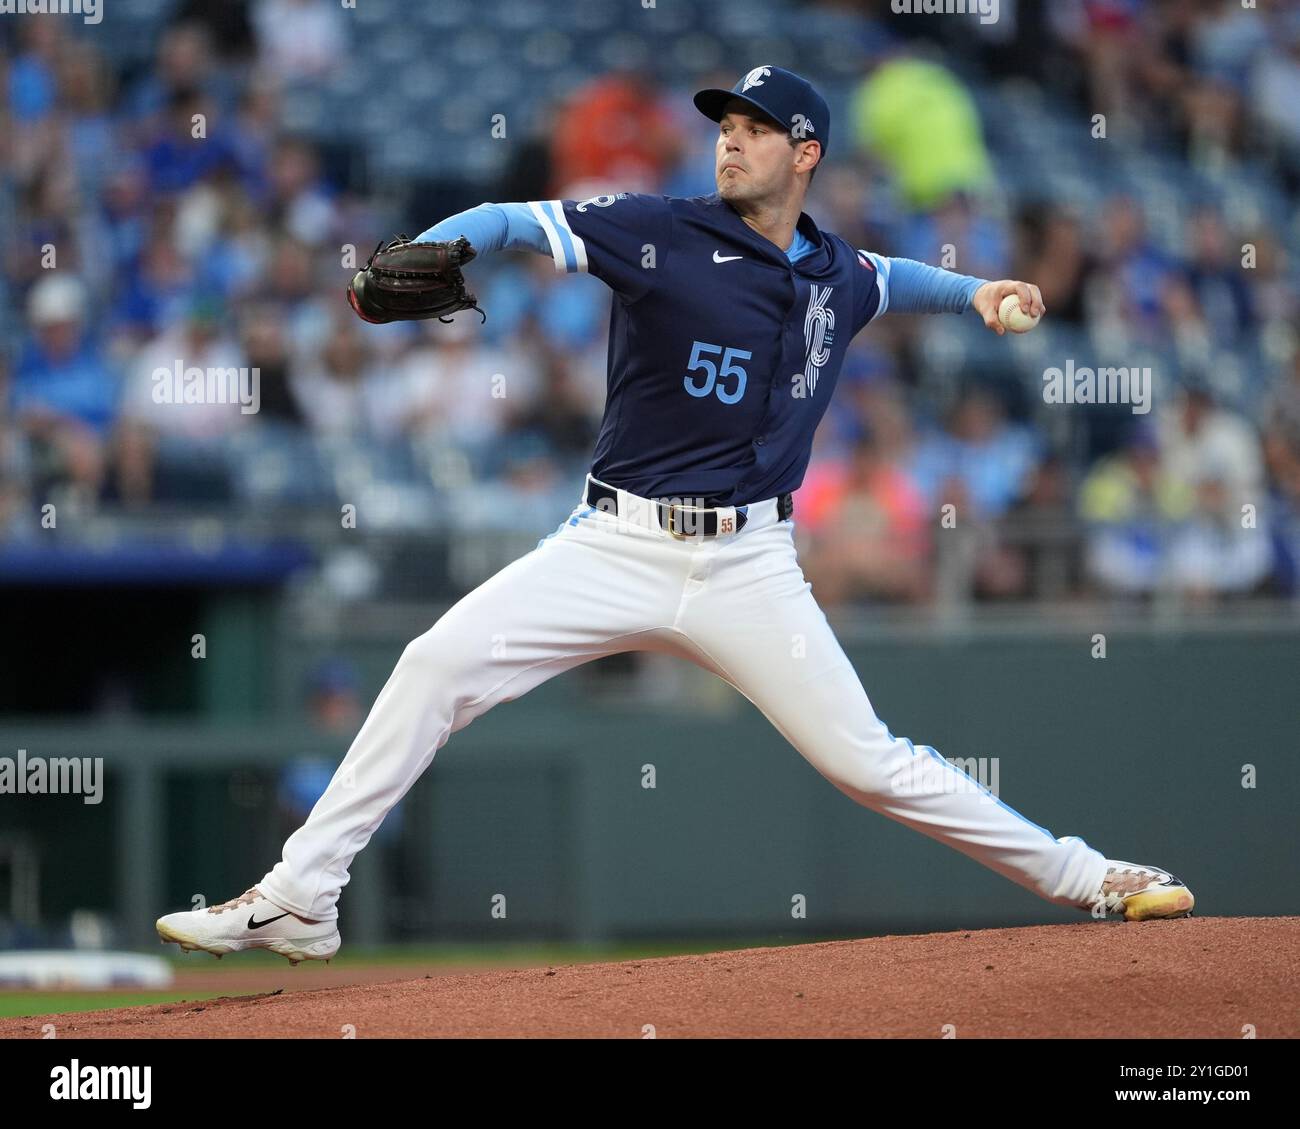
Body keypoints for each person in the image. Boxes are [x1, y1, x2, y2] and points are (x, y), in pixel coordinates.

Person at [156, 66, 1193, 964]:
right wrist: (438, 244)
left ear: (805, 152)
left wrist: (972, 295)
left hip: (750, 563)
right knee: (434, 663)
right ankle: (302, 895)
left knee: (866, 761)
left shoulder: (836, 269)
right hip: (614, 541)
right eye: (722, 127)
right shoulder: (661, 231)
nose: (728, 143)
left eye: (749, 130)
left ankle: (1086, 877)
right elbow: (519, 222)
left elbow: (892, 277)